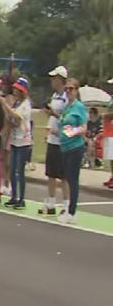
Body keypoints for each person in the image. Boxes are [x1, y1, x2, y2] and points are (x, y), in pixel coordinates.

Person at [39, 66, 70, 216]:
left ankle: (66, 204)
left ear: (60, 79)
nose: (52, 81)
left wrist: (54, 113)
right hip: (52, 138)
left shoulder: (66, 97)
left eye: (54, 78)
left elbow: (66, 118)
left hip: (63, 140)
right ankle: (51, 203)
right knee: (51, 173)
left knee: (64, 175)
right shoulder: (54, 96)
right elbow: (52, 117)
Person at [57, 78, 88, 224]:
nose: (68, 91)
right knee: (68, 177)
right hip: (65, 147)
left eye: (71, 89)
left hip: (75, 146)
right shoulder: (67, 107)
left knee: (73, 179)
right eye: (66, 89)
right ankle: (69, 208)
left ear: (76, 90)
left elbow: (83, 128)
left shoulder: (79, 107)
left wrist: (72, 132)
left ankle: (72, 212)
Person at [0, 77, 32, 210]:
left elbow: (18, 117)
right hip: (14, 139)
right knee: (12, 169)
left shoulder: (26, 104)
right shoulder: (16, 103)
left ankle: (22, 198)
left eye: (17, 89)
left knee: (20, 170)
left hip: (23, 140)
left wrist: (5, 105)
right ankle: (14, 196)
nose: (14, 90)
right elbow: (11, 117)